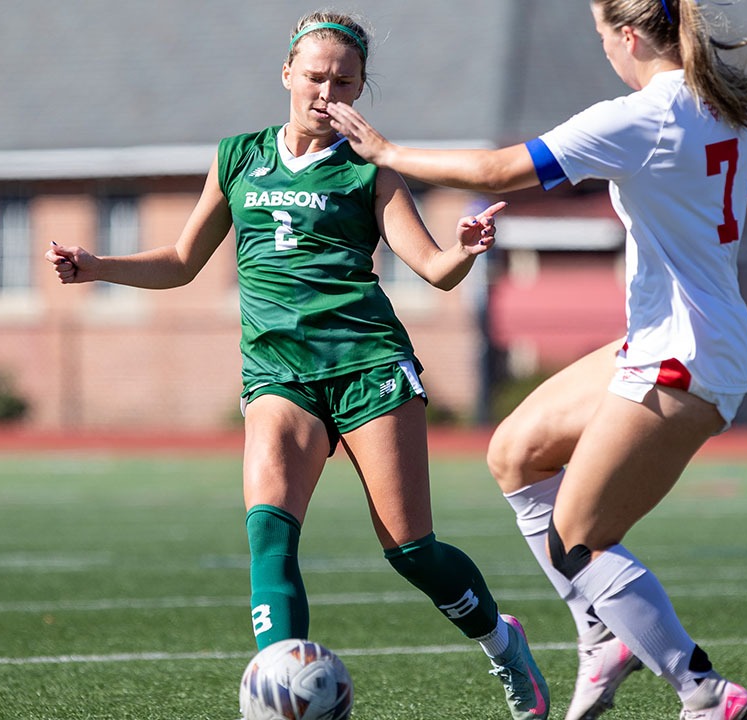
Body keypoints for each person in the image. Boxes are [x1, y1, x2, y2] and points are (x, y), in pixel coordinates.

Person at [327, 2, 747, 720]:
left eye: (602, 37)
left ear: (628, 36)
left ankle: (705, 692)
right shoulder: (732, 98)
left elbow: (499, 169)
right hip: (680, 339)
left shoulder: (640, 116)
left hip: (682, 355)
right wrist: (730, 198)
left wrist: (387, 152)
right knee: (515, 452)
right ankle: (604, 636)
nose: (603, 50)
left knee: (578, 539)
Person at [47, 11, 549, 720]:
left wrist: (467, 245)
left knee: (410, 550)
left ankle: (502, 642)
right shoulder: (238, 157)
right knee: (270, 532)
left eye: (344, 80)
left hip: (369, 367)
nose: (326, 89)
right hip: (277, 373)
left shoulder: (371, 169)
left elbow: (434, 270)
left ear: (361, 87)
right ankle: (282, 702)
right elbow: (183, 262)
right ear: (286, 74)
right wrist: (97, 266)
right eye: (314, 75)